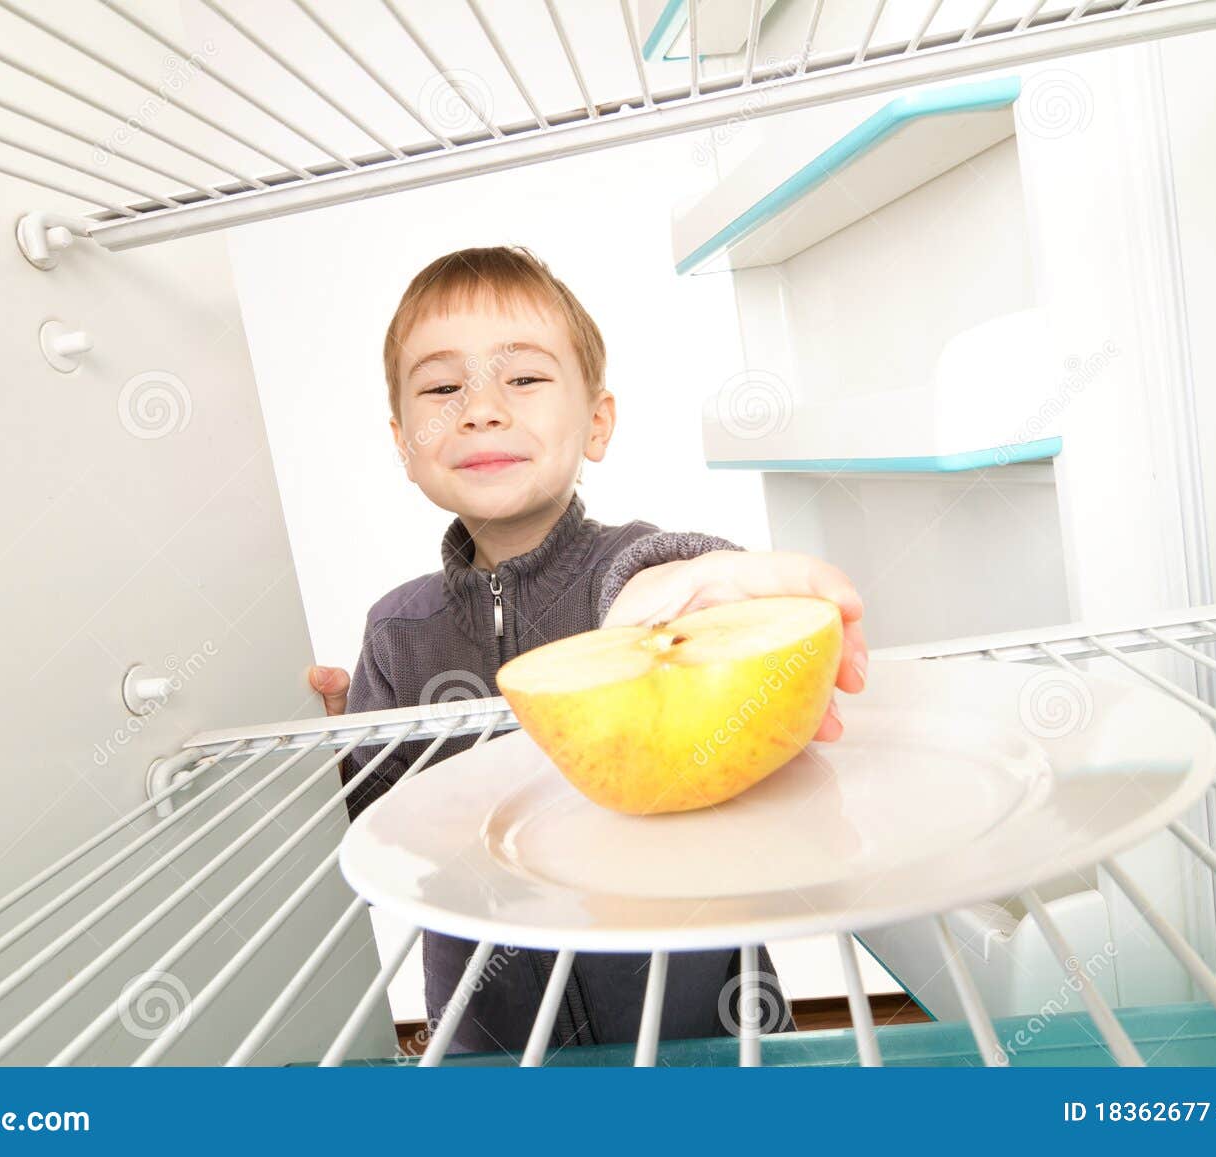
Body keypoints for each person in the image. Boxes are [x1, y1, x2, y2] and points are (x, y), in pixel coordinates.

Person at [306, 245, 867, 1057]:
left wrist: (687, 586)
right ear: (404, 442)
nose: (481, 409)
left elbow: (667, 581)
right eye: (442, 388)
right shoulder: (397, 629)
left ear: (597, 422)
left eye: (524, 377)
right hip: (490, 1031)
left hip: (694, 1011)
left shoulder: (629, 571)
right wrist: (339, 756)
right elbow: (385, 835)